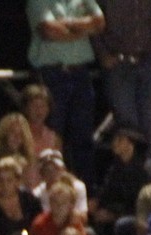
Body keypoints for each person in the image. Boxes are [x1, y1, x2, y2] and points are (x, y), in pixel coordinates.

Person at [29, 0, 105, 184]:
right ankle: (50, 187)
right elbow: (49, 31)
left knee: (83, 136)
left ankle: (85, 189)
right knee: (54, 135)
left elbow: (100, 23)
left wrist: (68, 25)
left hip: (81, 73)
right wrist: (83, 28)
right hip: (53, 73)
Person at [96, 0, 151, 154]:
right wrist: (102, 53)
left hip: (149, 64)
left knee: (149, 128)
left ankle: (147, 172)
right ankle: (128, 172)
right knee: (127, 128)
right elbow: (94, 23)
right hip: (118, 64)